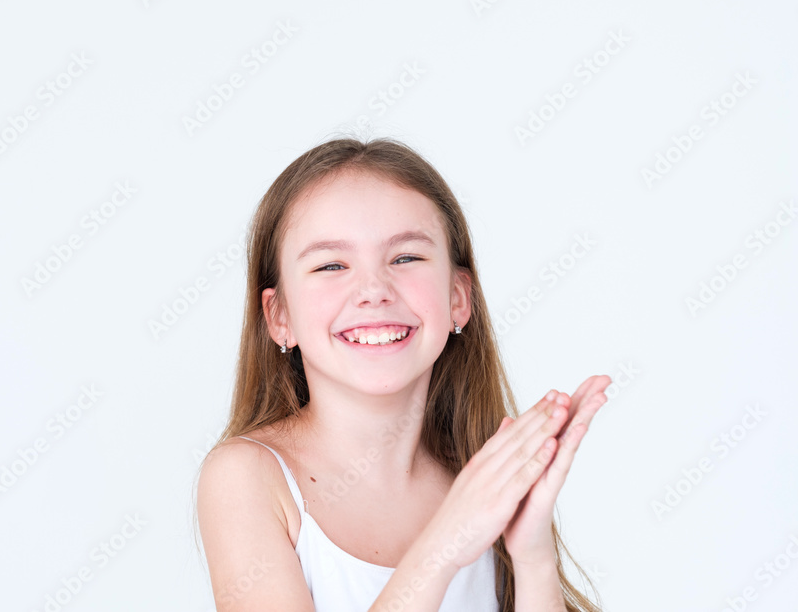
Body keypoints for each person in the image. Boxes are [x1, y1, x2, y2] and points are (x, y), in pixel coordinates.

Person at [193, 136, 608, 611]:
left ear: (458, 297)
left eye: (406, 257)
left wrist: (532, 556)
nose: (373, 289)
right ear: (279, 316)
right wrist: (447, 540)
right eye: (331, 264)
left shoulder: (480, 480)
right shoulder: (246, 477)